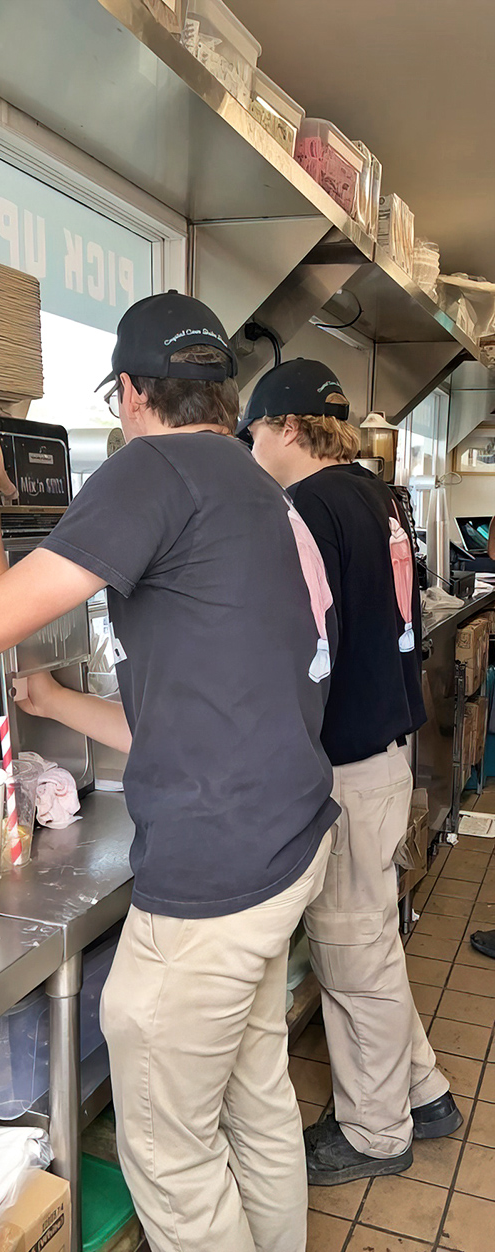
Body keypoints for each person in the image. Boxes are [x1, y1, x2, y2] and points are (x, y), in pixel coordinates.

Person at [0, 292, 338, 1252]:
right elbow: (192, 715)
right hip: (286, 841)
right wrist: (55, 701)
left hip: (213, 876)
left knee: (172, 1152)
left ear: (129, 393)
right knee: (254, 1098)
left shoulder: (150, 467)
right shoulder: (254, 489)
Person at [237, 358, 462, 1187]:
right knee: (369, 943)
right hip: (383, 754)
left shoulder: (306, 509)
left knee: (351, 955)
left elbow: (299, 650)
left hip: (347, 768)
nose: (252, 448)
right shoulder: (374, 496)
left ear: (290, 428)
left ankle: (374, 1133)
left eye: (255, 432)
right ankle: (423, 1093)